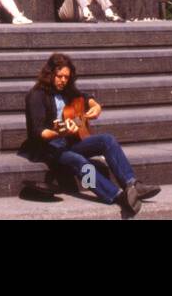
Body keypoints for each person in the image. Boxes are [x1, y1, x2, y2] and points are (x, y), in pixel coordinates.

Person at [19, 53, 158, 217]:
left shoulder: (66, 89)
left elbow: (84, 97)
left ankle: (132, 184)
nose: (63, 80)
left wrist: (95, 105)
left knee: (107, 140)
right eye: (59, 76)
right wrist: (60, 132)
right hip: (48, 148)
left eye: (66, 77)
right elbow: (38, 132)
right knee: (78, 161)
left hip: (69, 141)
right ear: (49, 74)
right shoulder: (36, 95)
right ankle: (118, 196)